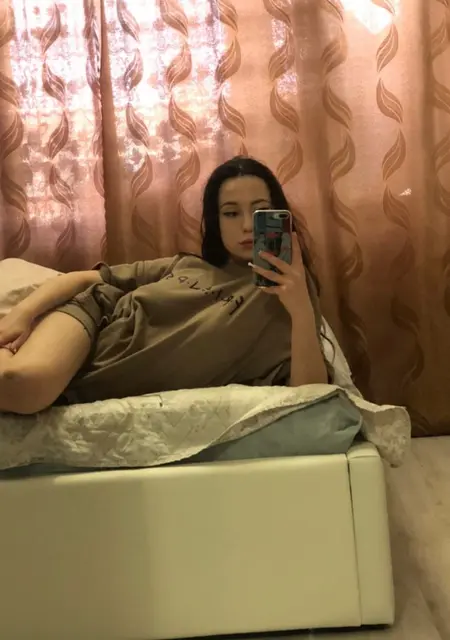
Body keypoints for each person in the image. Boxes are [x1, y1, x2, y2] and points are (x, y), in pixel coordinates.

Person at [0, 156, 331, 415]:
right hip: (92, 320)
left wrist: (300, 307)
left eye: (259, 212)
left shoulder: (290, 301)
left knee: (22, 389)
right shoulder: (186, 265)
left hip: (90, 380)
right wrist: (21, 315)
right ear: (216, 222)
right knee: (20, 384)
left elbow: (309, 397)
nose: (246, 225)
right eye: (231, 213)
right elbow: (88, 279)